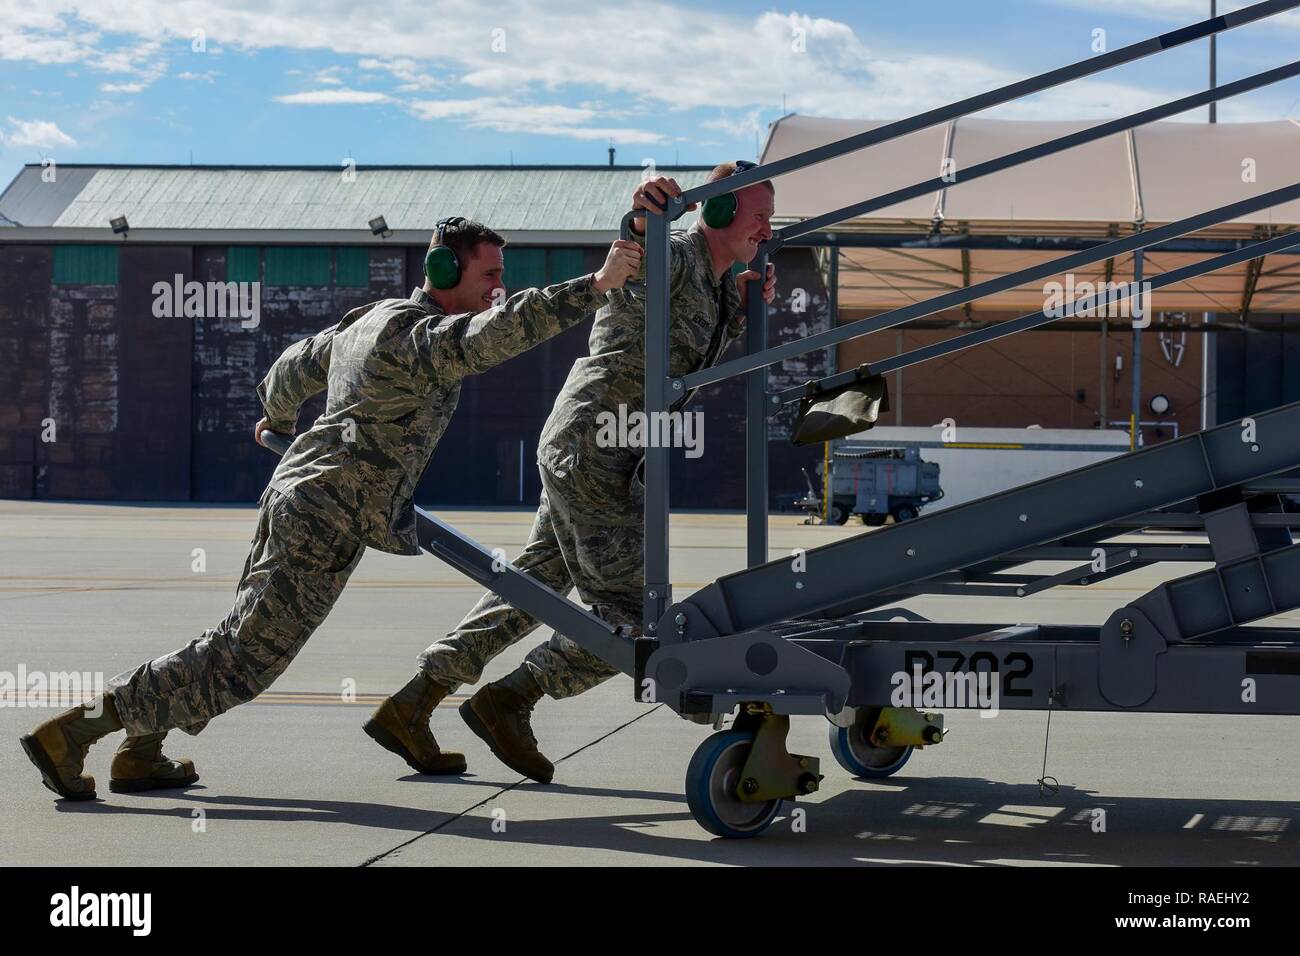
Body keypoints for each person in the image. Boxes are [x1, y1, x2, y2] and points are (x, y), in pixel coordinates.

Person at [20, 218, 643, 801]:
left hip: (313, 501)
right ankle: (73, 731)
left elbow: (295, 364)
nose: (498, 289)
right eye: (488, 276)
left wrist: (280, 415)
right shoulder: (411, 337)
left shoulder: (369, 320)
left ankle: (141, 750)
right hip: (322, 514)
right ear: (445, 272)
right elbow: (489, 338)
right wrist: (595, 287)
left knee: (238, 638)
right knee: (244, 659)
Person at [378, 164, 777, 783]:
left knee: (530, 587)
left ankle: (415, 701)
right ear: (718, 212)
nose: (767, 227)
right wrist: (641, 215)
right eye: (758, 214)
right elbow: (636, 258)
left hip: (606, 452)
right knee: (640, 617)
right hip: (595, 449)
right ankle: (511, 697)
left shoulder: (724, 285)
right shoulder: (674, 255)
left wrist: (747, 303)